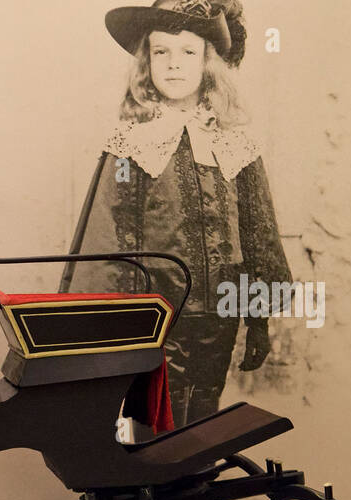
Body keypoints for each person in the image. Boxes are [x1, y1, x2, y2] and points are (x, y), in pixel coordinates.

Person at [65, 0, 291, 428]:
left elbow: (258, 232)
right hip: (157, 315)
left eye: (188, 52)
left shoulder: (235, 144)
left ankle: (194, 487)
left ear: (208, 63)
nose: (173, 65)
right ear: (145, 64)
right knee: (156, 421)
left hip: (220, 313)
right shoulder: (131, 144)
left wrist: (258, 318)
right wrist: (120, 323)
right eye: (160, 52)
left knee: (203, 416)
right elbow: (112, 236)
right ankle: (156, 487)